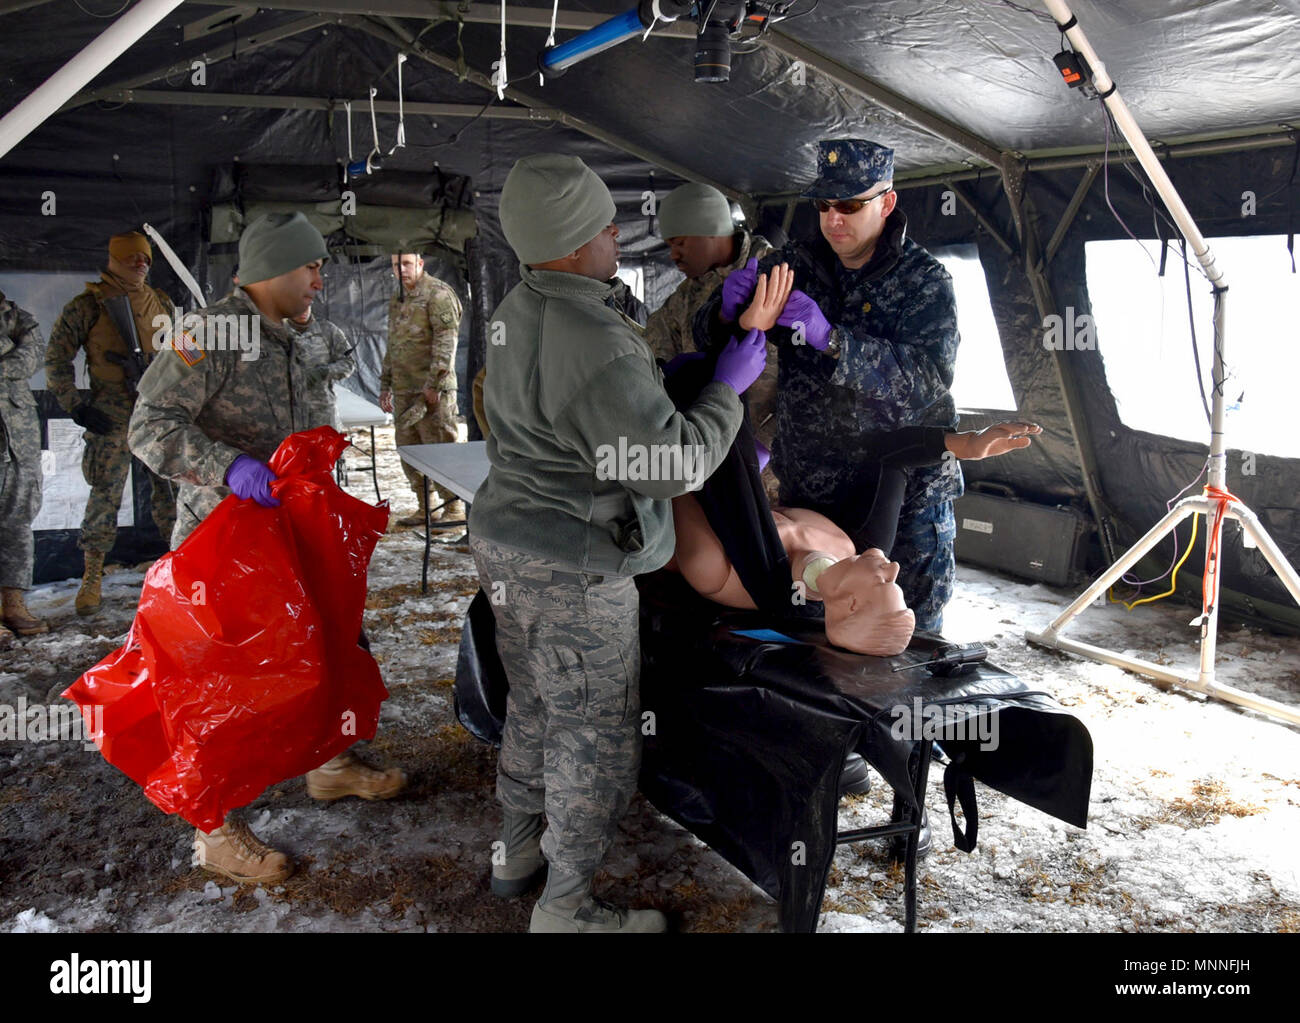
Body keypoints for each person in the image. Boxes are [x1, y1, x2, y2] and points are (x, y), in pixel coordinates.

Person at [469, 153, 769, 933]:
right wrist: (728, 390)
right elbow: (671, 464)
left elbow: (579, 415)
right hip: (574, 562)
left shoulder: (522, 304)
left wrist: (674, 378)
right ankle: (566, 910)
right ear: (573, 243)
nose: (617, 238)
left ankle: (516, 852)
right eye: (606, 227)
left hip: (509, 541)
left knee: (533, 704)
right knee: (593, 736)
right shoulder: (593, 337)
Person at [128, 212, 406, 885]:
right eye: (309, 266)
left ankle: (330, 764)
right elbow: (149, 426)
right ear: (270, 270)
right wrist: (228, 467)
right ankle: (214, 830)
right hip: (226, 542)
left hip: (298, 533)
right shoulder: (209, 332)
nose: (320, 277)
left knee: (328, 649)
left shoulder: (297, 332)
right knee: (222, 685)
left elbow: (333, 364)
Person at [697, 138, 963, 632]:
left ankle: (909, 714)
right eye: (823, 205)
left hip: (905, 499)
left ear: (886, 202)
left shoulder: (924, 282)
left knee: (906, 631)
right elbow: (716, 337)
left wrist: (835, 340)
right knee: (817, 628)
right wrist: (720, 315)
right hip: (815, 488)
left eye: (849, 205)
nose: (833, 219)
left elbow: (929, 381)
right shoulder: (795, 264)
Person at [45, 231, 178, 614]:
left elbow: (186, 353)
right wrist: (77, 406)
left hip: (158, 408)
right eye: (132, 257)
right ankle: (91, 579)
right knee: (105, 495)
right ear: (115, 259)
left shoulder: (162, 303)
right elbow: (56, 359)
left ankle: (182, 567)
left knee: (170, 493)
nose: (141, 263)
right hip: (112, 410)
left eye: (146, 258)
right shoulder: (87, 306)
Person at [645, 182, 779, 453]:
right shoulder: (684, 298)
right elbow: (655, 362)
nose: (673, 255)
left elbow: (809, 374)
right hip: (708, 454)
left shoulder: (775, 272)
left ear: (711, 232)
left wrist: (765, 445)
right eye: (669, 245)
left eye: (679, 242)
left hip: (773, 463)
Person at [379, 253, 464, 527]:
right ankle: (425, 508)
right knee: (409, 450)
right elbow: (393, 344)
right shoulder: (398, 298)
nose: (401, 269)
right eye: (395, 264)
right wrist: (385, 384)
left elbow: (446, 342)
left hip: (432, 394)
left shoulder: (437, 294)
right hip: (405, 390)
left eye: (406, 263)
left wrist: (435, 383)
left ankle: (453, 509)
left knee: (440, 449)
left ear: (420, 264)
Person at [0, 290, 49, 644]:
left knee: (19, 518)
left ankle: (12, 602)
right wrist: (8, 349)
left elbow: (31, 357)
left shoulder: (15, 316)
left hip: (19, 435)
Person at [287, 305, 356, 431]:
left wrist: (324, 372)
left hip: (322, 410)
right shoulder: (279, 332)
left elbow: (348, 363)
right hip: (289, 412)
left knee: (326, 448)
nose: (303, 310)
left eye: (307, 305)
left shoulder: (327, 330)